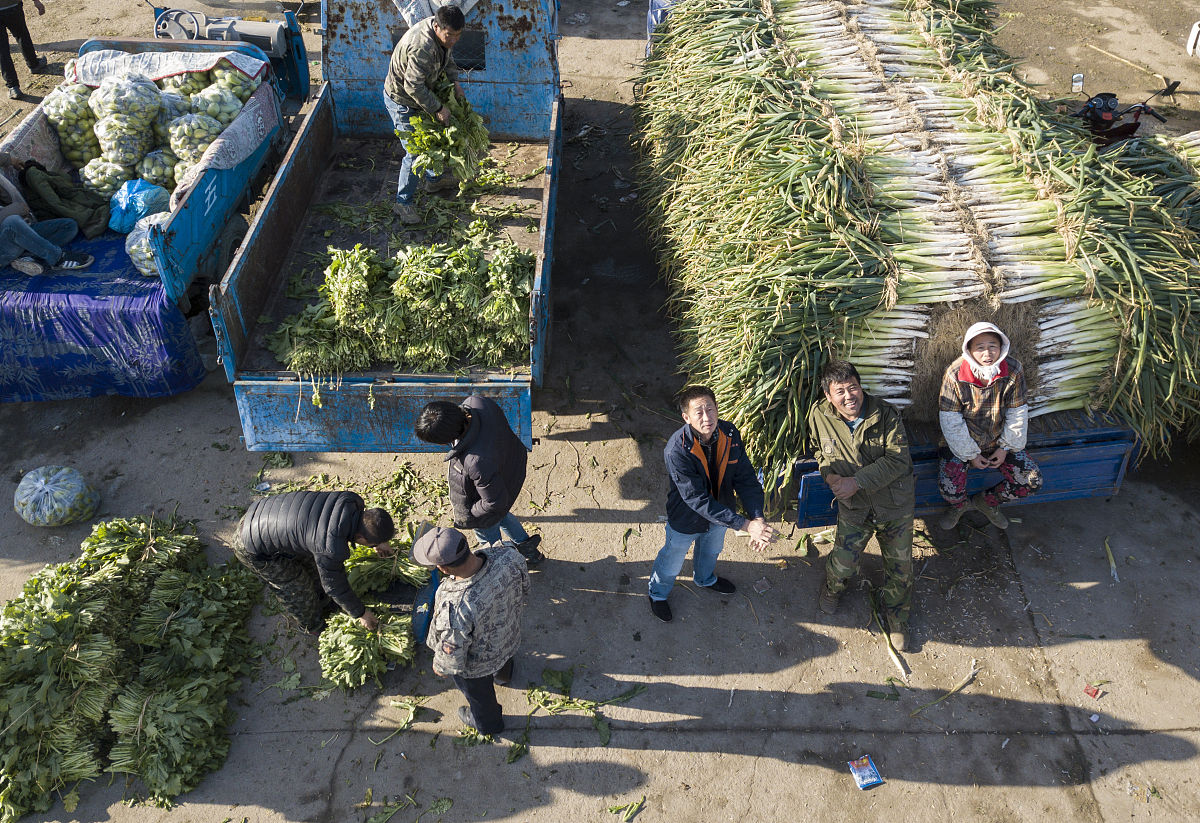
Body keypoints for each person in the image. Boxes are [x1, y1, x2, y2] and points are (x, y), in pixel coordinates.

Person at [809, 361, 915, 651]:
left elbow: (897, 460)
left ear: (861, 386)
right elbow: (819, 449)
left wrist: (856, 481)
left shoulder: (886, 414)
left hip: (893, 505)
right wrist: (828, 473)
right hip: (855, 508)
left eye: (853, 387)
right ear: (829, 396)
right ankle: (832, 591)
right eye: (840, 391)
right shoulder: (819, 415)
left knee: (900, 568)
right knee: (843, 565)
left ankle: (896, 618)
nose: (848, 396)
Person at [648, 385, 775, 623]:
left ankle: (704, 579)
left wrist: (756, 517)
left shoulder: (729, 433)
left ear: (717, 408)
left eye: (710, 409)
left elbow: (745, 476)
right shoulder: (676, 450)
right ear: (686, 418)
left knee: (711, 550)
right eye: (698, 412)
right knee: (672, 559)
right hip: (686, 518)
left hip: (721, 514)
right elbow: (696, 499)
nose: (707, 417)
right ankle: (657, 594)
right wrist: (745, 525)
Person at [412, 525, 530, 735]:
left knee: (479, 696)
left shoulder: (456, 606)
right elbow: (525, 587)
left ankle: (488, 724)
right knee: (504, 658)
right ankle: (504, 674)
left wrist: (440, 666)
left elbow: (452, 652)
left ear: (443, 569)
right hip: (509, 636)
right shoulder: (508, 555)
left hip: (477, 665)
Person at [232, 490, 396, 634]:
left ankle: (325, 603)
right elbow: (335, 586)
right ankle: (313, 626)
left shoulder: (350, 501)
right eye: (371, 543)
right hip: (250, 543)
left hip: (264, 511)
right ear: (361, 537)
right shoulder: (329, 546)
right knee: (297, 587)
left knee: (314, 567)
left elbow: (366, 525)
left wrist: (377, 541)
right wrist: (361, 614)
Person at [937, 321, 1042, 531]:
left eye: (993, 345)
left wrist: (1004, 448)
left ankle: (987, 502)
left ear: (1001, 346)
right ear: (969, 349)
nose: (988, 353)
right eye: (980, 347)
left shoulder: (1013, 370)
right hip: (965, 441)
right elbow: (951, 420)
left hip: (998, 439)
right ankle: (960, 506)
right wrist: (970, 454)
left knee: (1032, 481)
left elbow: (1017, 412)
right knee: (949, 488)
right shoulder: (954, 373)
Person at [414, 396, 545, 565]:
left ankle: (503, 565)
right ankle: (528, 548)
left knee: (491, 542)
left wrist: (472, 514)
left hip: (489, 502)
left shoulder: (475, 461)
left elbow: (494, 503)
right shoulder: (478, 403)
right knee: (503, 515)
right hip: (510, 470)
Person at [382, 4, 466, 224]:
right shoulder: (423, 46)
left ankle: (433, 180)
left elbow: (448, 58)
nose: (453, 40)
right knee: (415, 152)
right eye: (450, 36)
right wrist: (438, 108)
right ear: (437, 27)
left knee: (432, 142)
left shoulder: (443, 36)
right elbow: (413, 87)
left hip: (420, 95)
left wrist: (455, 82)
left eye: (458, 36)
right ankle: (402, 203)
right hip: (402, 100)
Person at [0, 152, 92, 274]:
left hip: (19, 230)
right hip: (4, 246)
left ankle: (29, 256)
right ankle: (58, 259)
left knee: (69, 226)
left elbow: (4, 158)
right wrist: (17, 209)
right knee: (12, 222)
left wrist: (12, 160)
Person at [0, 0, 48, 99]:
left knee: (2, 50)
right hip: (12, 6)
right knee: (22, 35)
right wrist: (36, 1)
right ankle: (33, 64)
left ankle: (13, 87)